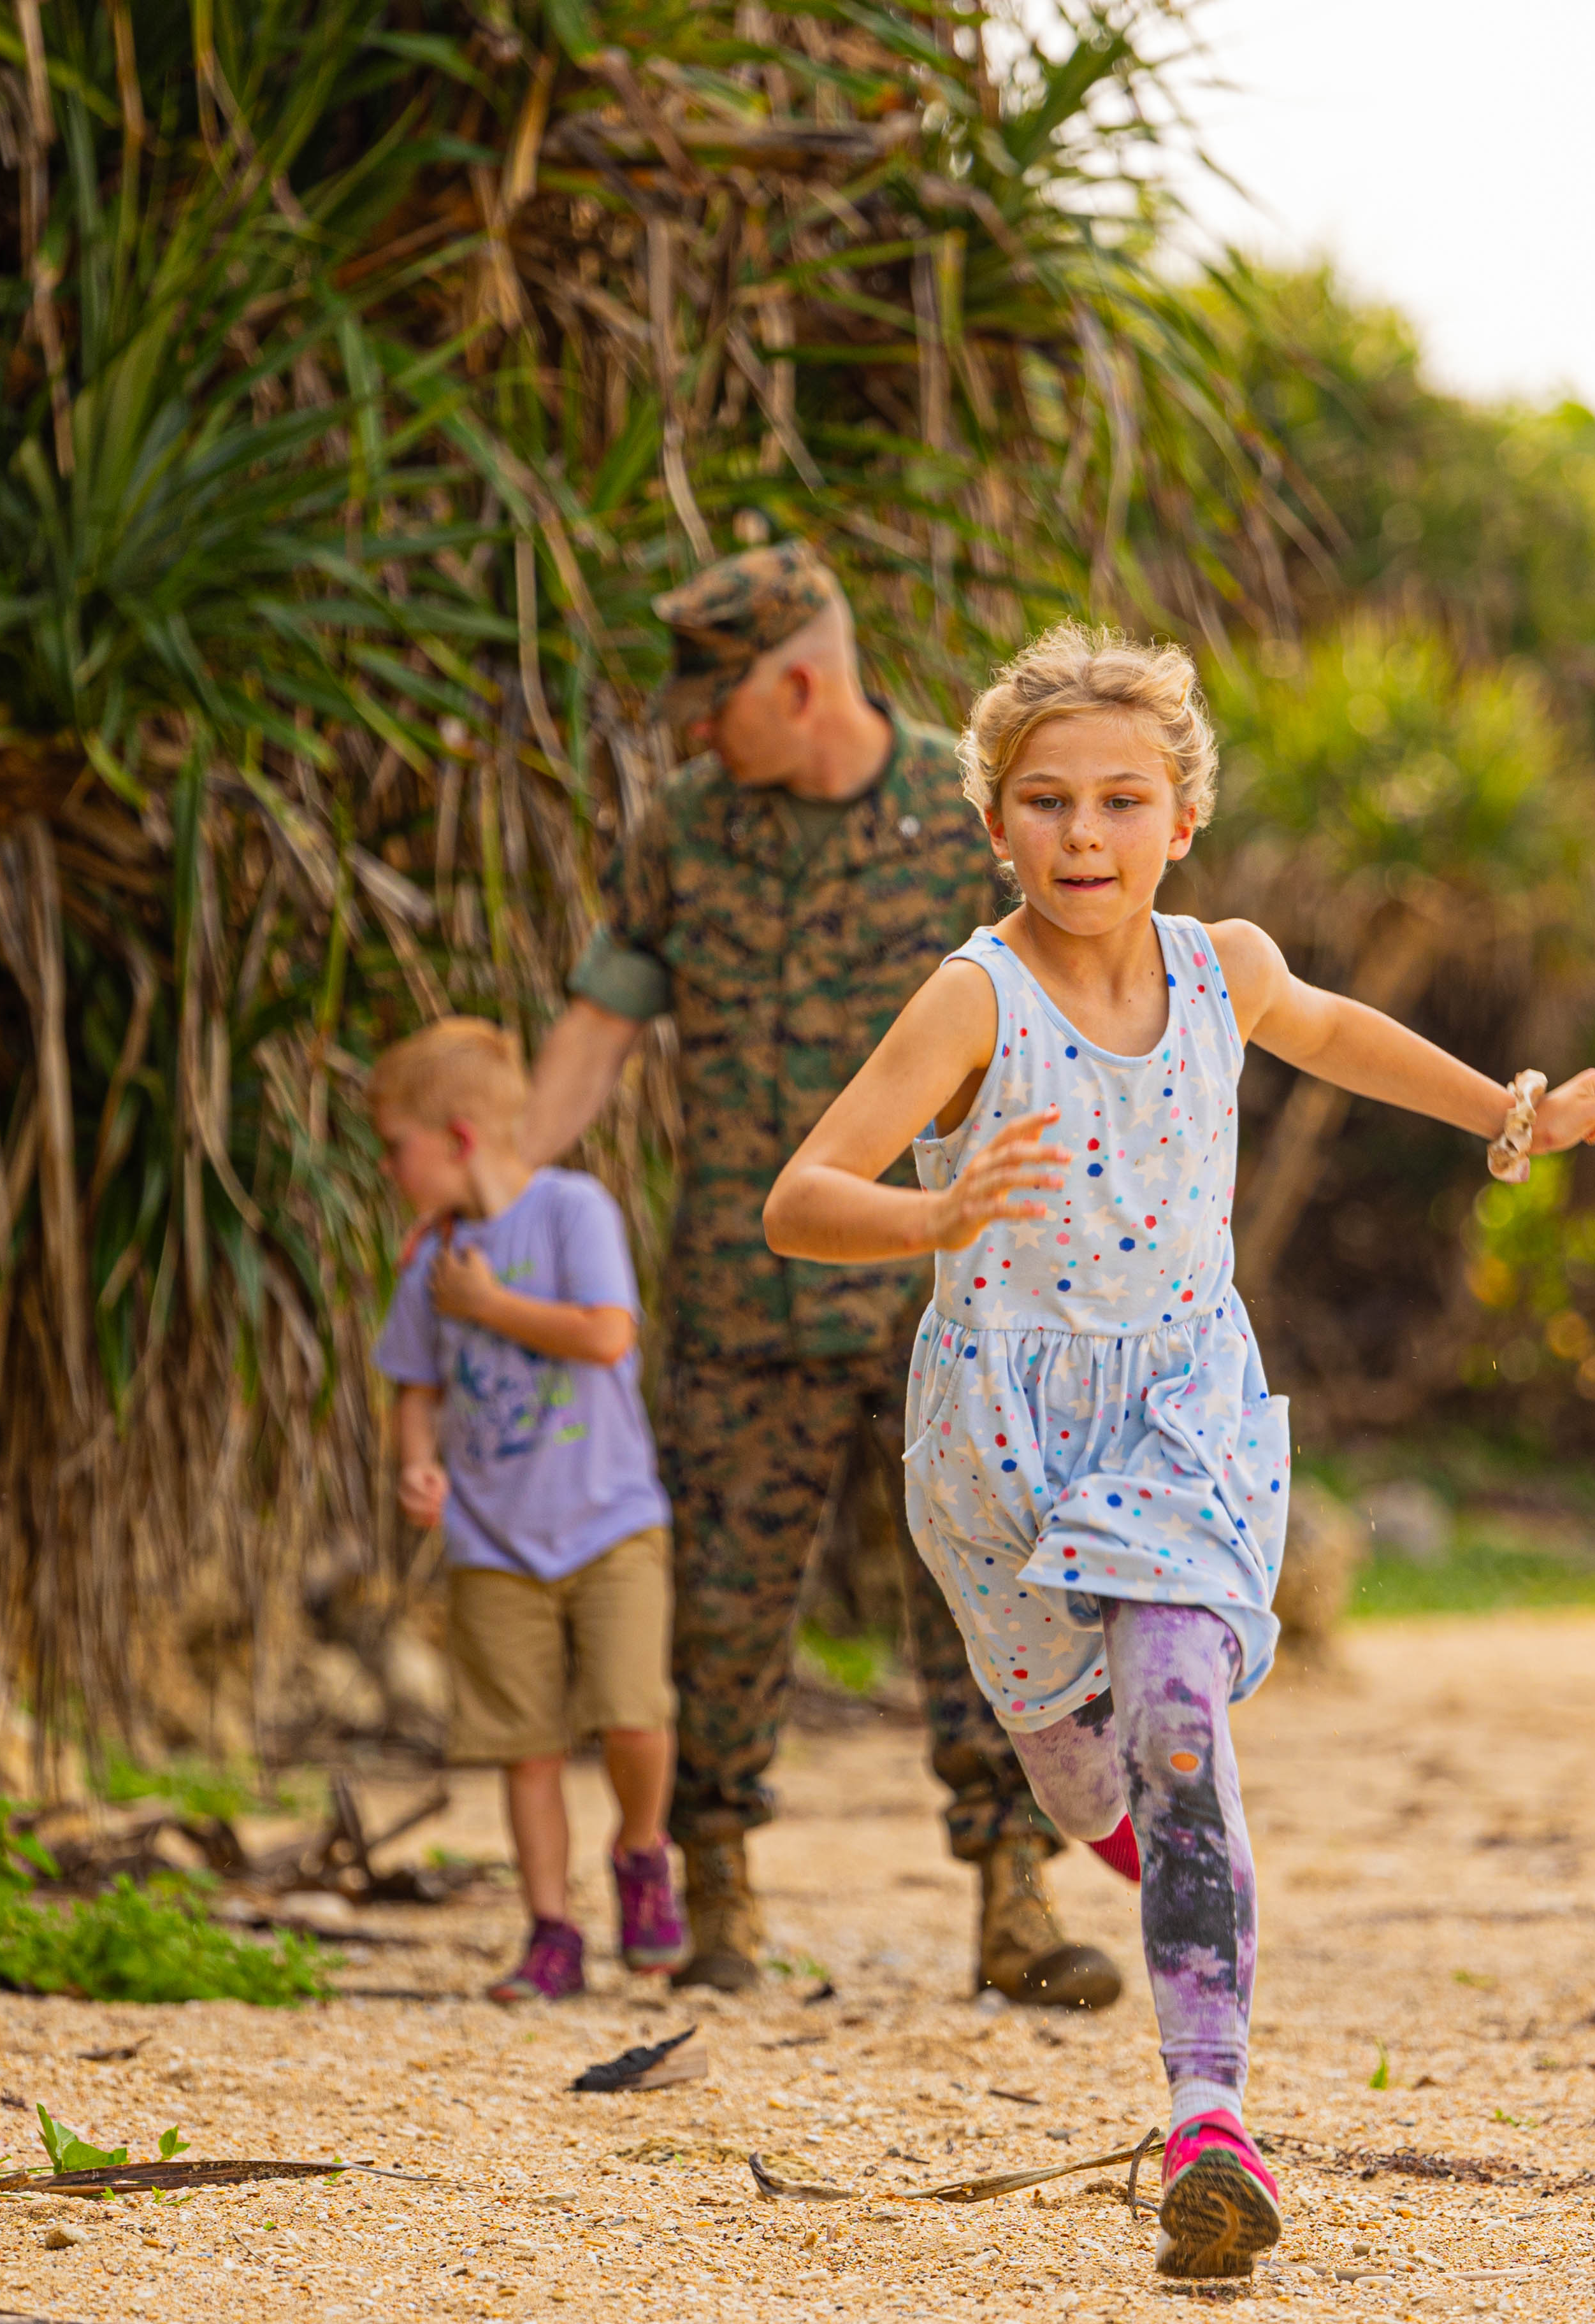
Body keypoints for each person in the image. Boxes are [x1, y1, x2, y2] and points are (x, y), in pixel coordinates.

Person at [762, 625, 1595, 2279]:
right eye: (1042, 804)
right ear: (993, 827)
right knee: (1083, 1770)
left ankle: (1207, 2122)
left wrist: (1511, 1111)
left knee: (1175, 1723)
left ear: (1180, 824)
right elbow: (800, 1197)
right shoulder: (973, 997)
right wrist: (934, 1211)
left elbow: (1337, 1034)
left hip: (1176, 1408)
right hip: (999, 1440)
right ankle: (1155, 1843)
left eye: (1117, 802)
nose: (1079, 838)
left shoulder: (1220, 968)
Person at [493, 540, 1122, 2006]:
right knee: (718, 1606)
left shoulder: (957, 816)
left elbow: (1075, 998)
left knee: (989, 1601)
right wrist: (505, 1178)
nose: (698, 736)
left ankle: (1015, 1907)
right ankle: (715, 1900)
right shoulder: (687, 833)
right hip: (742, 1296)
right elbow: (601, 1020)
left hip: (949, 1307)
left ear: (798, 679)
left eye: (719, 706)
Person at [369, 1017, 684, 2004]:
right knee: (527, 1747)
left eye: (396, 1148)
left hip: (609, 1523)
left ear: (457, 1137)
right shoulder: (433, 1261)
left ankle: (640, 1849)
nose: (389, 1169)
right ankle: (551, 1930)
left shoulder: (569, 1211)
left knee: (634, 1718)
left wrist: (489, 1306)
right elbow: (413, 1384)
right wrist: (418, 1465)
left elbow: (604, 1336)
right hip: (495, 1543)